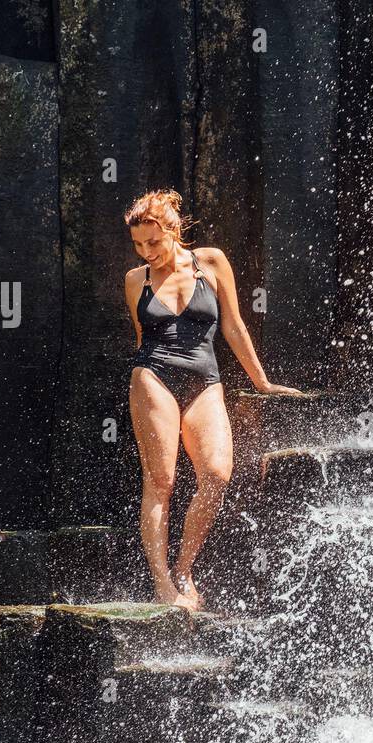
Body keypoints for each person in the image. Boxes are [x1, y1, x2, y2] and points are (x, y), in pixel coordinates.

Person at [123, 189, 300, 610]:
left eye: (154, 242)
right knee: (161, 481)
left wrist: (262, 383)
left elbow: (234, 327)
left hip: (205, 377)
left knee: (218, 474)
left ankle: (185, 569)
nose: (146, 251)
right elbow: (141, 337)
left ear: (174, 231)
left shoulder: (212, 262)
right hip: (154, 375)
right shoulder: (136, 281)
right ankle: (163, 584)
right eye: (137, 244)